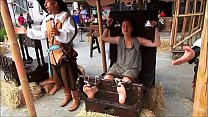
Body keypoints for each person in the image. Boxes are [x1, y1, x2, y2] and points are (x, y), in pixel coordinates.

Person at [83, 18, 161, 104]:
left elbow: (157, 43)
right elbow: (103, 38)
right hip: (118, 66)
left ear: (132, 29)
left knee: (126, 80)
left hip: (132, 68)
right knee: (107, 78)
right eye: (123, 26)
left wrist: (155, 27)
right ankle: (93, 89)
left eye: (128, 26)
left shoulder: (137, 40)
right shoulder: (118, 39)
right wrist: (108, 27)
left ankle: (122, 93)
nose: (125, 28)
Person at [26, 0, 80, 111]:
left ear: (55, 3)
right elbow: (42, 34)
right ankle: (67, 95)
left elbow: (70, 33)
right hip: (53, 54)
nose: (45, 5)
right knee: (60, 77)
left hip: (64, 53)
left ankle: (76, 98)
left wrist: (60, 33)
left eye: (47, 2)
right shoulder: (47, 19)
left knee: (69, 77)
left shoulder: (65, 17)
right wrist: (27, 31)